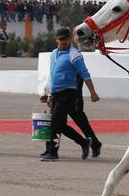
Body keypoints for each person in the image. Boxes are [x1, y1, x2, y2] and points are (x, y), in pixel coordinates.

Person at [39, 27, 102, 161]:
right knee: (58, 124)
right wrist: (48, 93)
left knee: (59, 123)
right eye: (61, 39)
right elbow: (52, 74)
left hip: (68, 93)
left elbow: (85, 74)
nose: (64, 41)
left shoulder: (74, 55)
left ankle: (53, 153)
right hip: (56, 94)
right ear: (57, 39)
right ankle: (84, 143)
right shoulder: (54, 54)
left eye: (66, 39)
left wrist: (93, 92)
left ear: (70, 39)